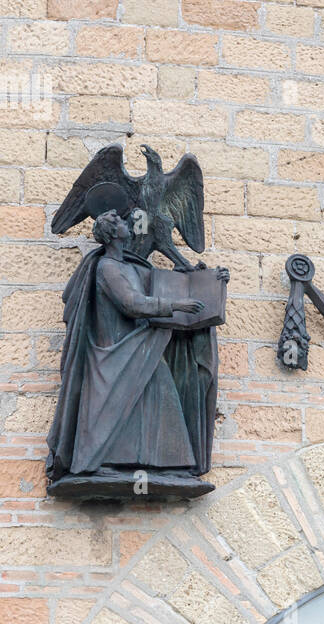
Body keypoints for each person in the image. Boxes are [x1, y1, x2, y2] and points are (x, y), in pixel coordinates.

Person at [46, 210, 221, 494]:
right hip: (116, 349)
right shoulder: (107, 268)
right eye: (122, 223)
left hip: (139, 344)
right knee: (119, 405)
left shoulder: (130, 266)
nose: (129, 225)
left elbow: (166, 282)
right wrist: (176, 306)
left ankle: (171, 465)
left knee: (159, 394)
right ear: (113, 234)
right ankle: (100, 464)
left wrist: (206, 279)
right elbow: (132, 303)